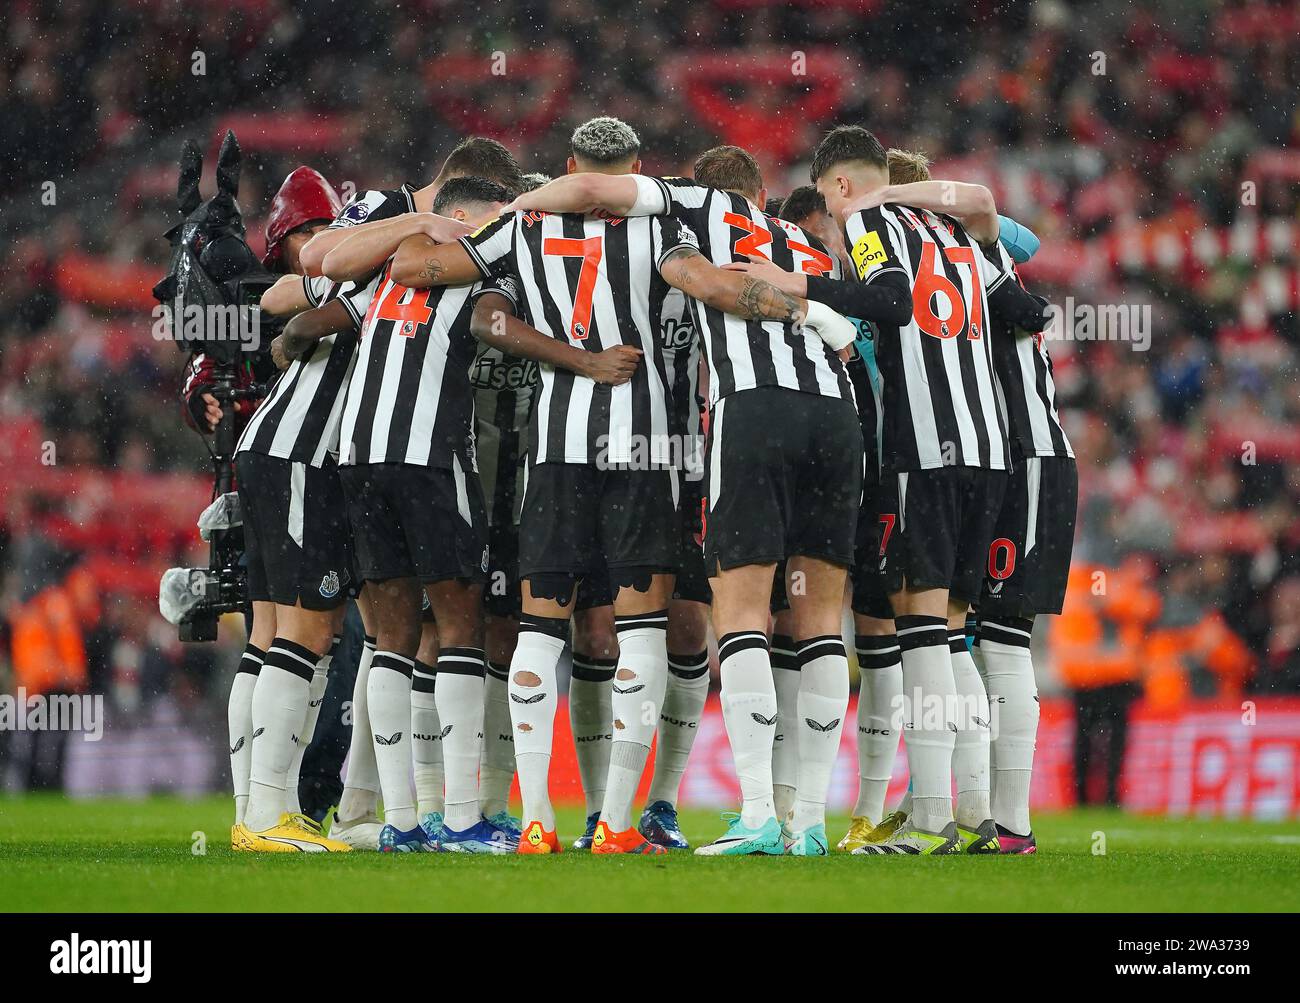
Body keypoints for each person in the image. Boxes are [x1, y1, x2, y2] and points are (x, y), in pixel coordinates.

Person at [389, 125, 856, 855]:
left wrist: (436, 223)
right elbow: (712, 285)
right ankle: (616, 820)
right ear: (636, 169)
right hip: (649, 448)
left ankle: (537, 820)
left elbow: (446, 288)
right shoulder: (665, 229)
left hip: (555, 451)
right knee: (644, 631)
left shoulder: (521, 226)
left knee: (541, 628)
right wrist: (812, 310)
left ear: (569, 166)